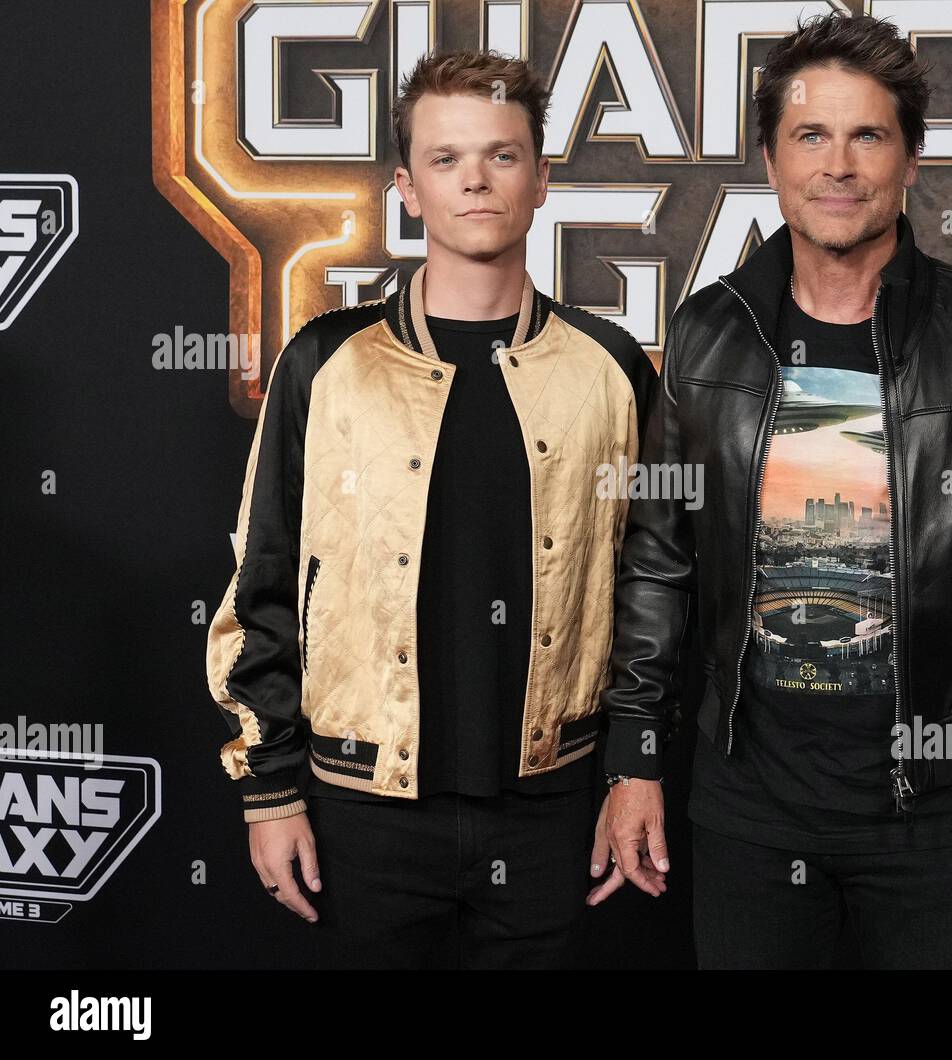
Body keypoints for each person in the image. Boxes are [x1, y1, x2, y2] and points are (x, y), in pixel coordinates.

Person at [590, 12, 952, 969]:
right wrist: (634, 754)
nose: (838, 164)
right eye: (810, 135)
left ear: (910, 158)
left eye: (868, 134)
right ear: (770, 158)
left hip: (945, 803)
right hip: (750, 802)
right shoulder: (709, 330)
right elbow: (657, 563)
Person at [204, 47, 656, 969]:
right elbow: (264, 579)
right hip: (360, 808)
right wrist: (270, 791)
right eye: (446, 160)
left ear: (539, 180)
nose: (476, 180)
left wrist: (634, 763)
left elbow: (655, 583)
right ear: (406, 188)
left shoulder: (610, 366)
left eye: (502, 154)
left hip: (552, 808)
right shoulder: (327, 361)